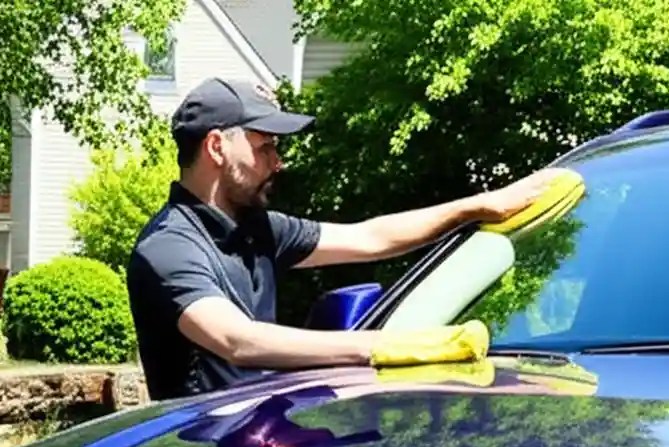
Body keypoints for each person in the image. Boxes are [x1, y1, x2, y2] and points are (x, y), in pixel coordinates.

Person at [127, 77, 564, 401]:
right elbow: (239, 341)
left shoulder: (255, 228)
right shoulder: (169, 247)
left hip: (263, 441)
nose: (278, 163)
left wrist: (478, 206)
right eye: (266, 148)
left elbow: (370, 237)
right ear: (218, 147)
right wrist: (386, 347)